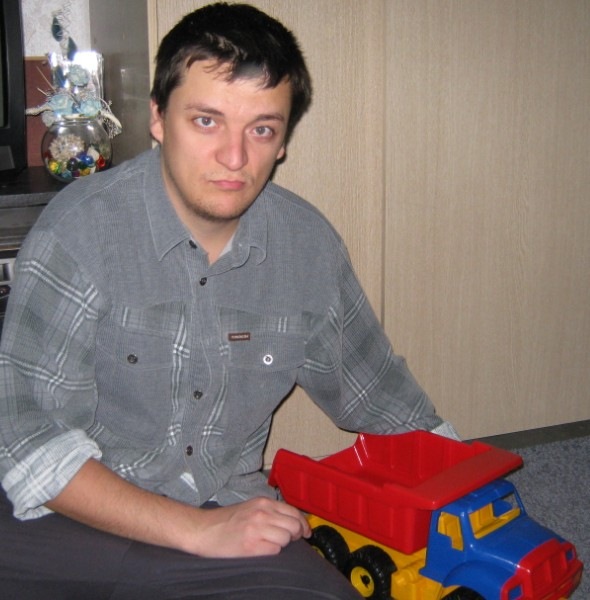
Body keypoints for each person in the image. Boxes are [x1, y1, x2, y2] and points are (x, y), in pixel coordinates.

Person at [0, 3, 457, 598]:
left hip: (224, 511)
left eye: (261, 129)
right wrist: (195, 531)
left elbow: (380, 397)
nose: (235, 158)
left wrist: (472, 490)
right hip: (67, 515)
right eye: (207, 121)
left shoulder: (307, 248)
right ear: (158, 118)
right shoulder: (79, 231)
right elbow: (29, 444)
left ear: (283, 141)